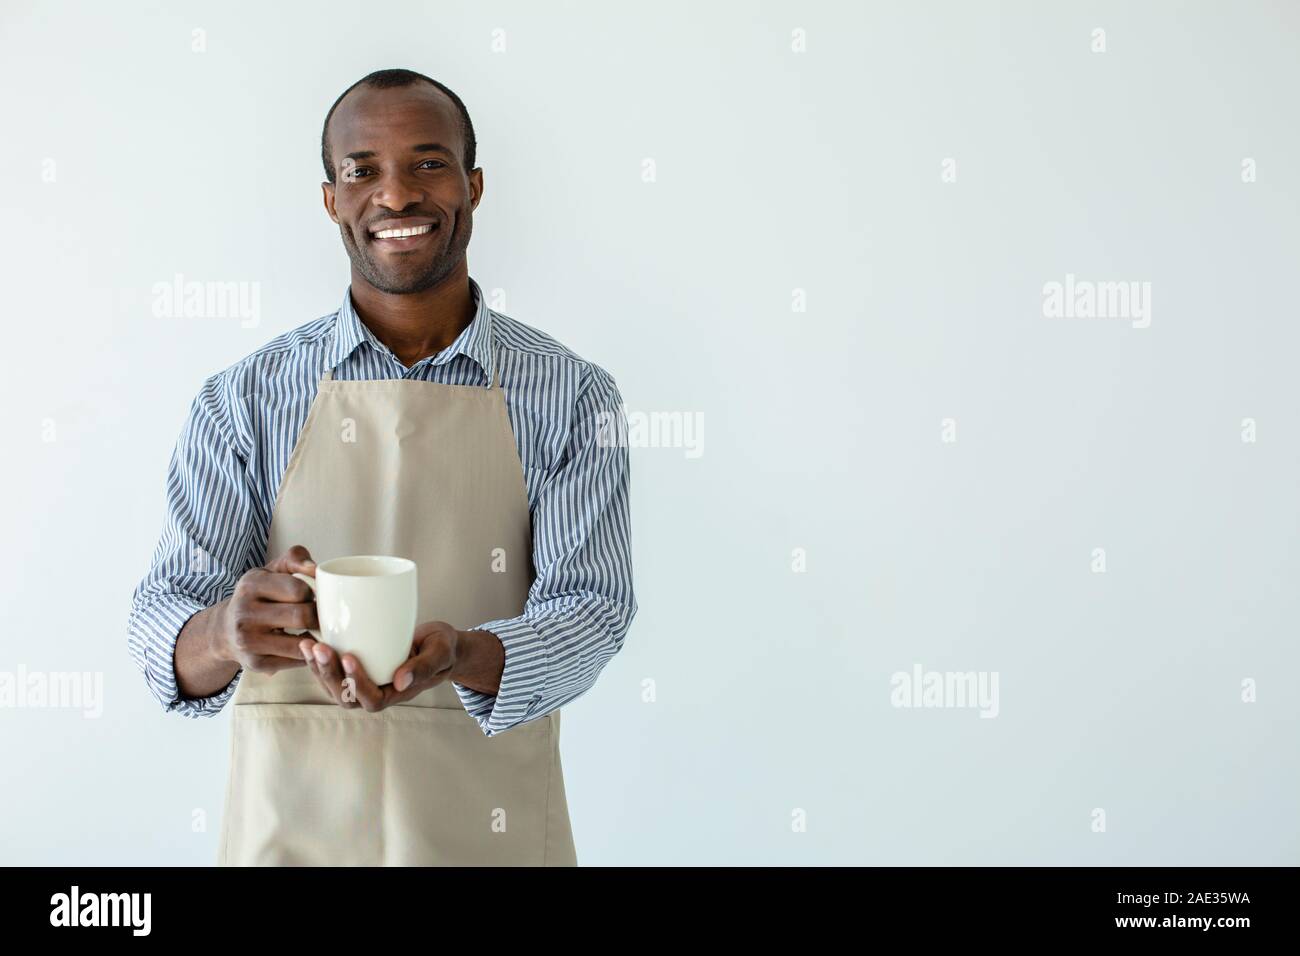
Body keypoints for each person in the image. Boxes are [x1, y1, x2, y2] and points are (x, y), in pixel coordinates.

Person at [127, 68, 636, 866]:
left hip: (486, 825)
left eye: (427, 163)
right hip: (289, 830)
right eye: (362, 170)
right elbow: (163, 621)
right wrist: (227, 631)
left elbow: (593, 611)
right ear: (332, 198)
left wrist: (463, 654)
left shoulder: (571, 396)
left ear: (473, 186)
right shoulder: (244, 398)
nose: (395, 196)